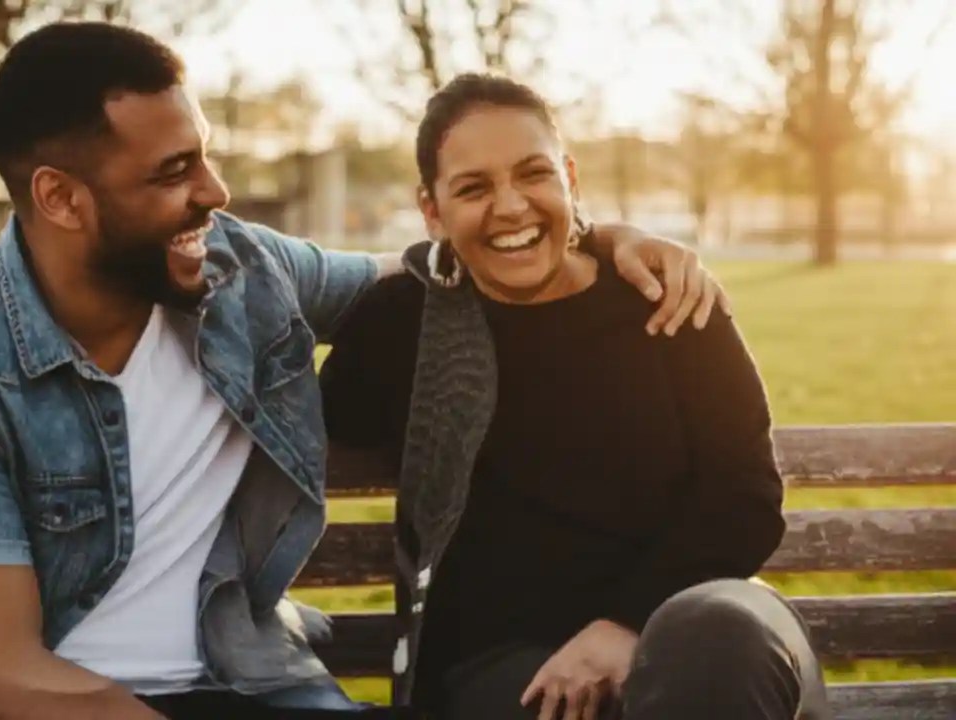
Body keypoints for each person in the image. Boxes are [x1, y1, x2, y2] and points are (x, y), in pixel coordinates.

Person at [0, 24, 726, 720]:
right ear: (59, 196)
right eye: (174, 171)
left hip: (236, 679)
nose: (214, 191)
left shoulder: (239, 270)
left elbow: (434, 269)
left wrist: (598, 235)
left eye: (206, 154)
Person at [321, 73, 831, 720]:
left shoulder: (664, 299)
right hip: (510, 667)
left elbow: (746, 498)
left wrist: (625, 625)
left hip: (706, 631)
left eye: (533, 175)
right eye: (473, 188)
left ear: (570, 177)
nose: (511, 206)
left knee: (715, 639)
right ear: (432, 210)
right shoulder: (403, 325)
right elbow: (311, 397)